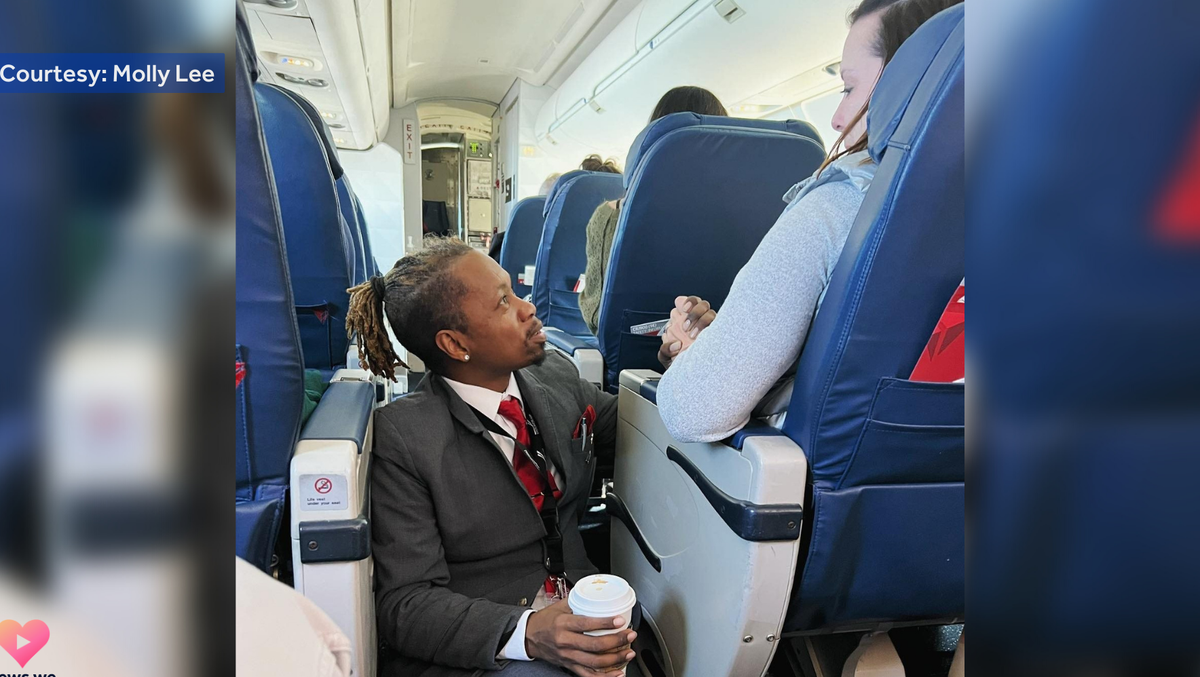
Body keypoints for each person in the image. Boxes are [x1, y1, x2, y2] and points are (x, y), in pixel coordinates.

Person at [655, 0, 963, 442]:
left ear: (909, 85)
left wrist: (692, 360)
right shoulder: (1053, 223)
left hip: (817, 498)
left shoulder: (839, 208)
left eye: (848, 89)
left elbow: (697, 409)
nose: (838, 120)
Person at [345, 238, 640, 677]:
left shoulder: (553, 374)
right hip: (490, 645)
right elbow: (406, 603)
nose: (528, 308)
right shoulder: (405, 437)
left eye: (514, 291)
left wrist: (685, 363)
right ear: (455, 343)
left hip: (585, 603)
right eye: (504, 303)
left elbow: (635, 431)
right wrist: (528, 633)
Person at [578, 86, 728, 335]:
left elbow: (596, 317)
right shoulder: (754, 215)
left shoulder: (611, 217)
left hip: (634, 358)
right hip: (729, 352)